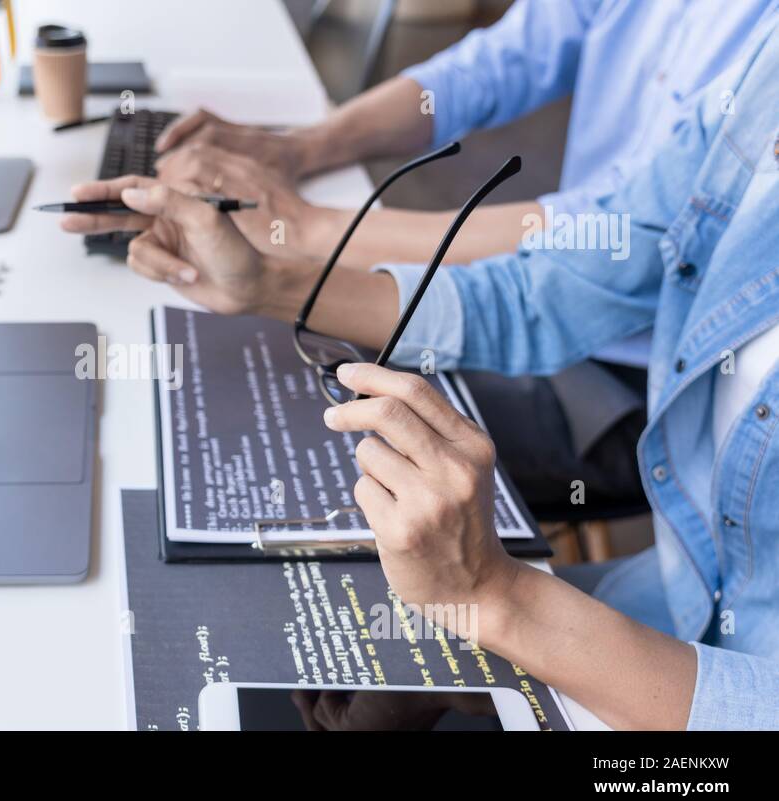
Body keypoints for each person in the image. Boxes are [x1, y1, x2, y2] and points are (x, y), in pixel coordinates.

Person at [60, 19, 779, 729]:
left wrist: (496, 599)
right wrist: (272, 282)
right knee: (275, 611)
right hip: (664, 605)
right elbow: (563, 277)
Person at [107, 0, 778, 514]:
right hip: (552, 294)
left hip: (635, 383)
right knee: (252, 377)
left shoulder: (761, 60)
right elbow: (502, 62)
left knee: (294, 447)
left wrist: (307, 231)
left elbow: (601, 238)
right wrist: (302, 154)